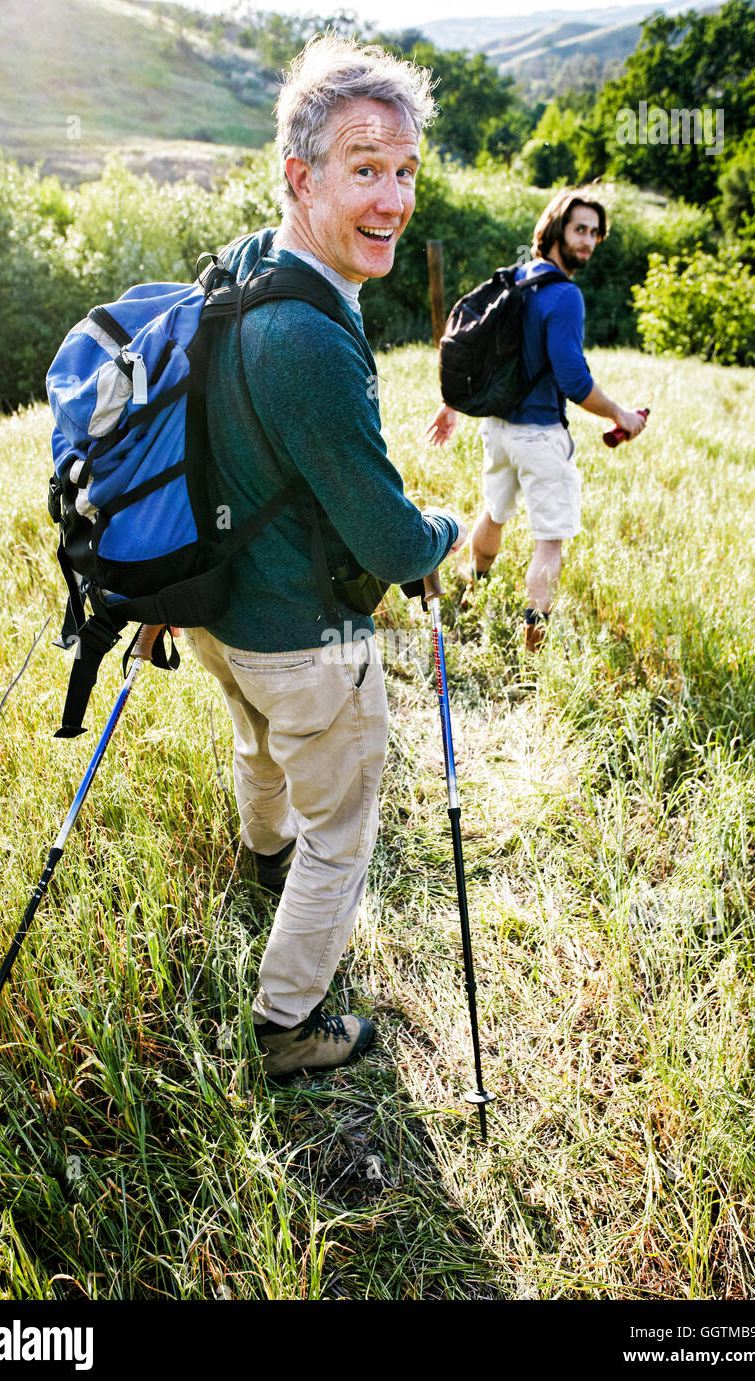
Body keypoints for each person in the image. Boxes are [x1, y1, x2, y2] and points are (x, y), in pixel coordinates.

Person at [180, 35, 467, 1078]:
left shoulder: (251, 266)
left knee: (260, 749)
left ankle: (263, 858)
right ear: (301, 177)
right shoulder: (307, 341)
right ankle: (288, 1023)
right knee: (341, 827)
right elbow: (390, 540)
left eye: (403, 172)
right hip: (303, 637)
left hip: (220, 612)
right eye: (364, 169)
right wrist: (438, 531)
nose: (393, 200)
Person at [426, 187, 646, 652]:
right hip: (542, 436)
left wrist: (454, 404)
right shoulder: (565, 295)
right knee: (549, 541)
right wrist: (621, 414)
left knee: (493, 511)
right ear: (554, 230)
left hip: (497, 430)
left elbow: (483, 351)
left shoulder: (516, 279)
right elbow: (573, 379)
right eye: (579, 229)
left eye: (594, 233)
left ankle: (473, 594)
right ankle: (533, 645)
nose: (587, 241)